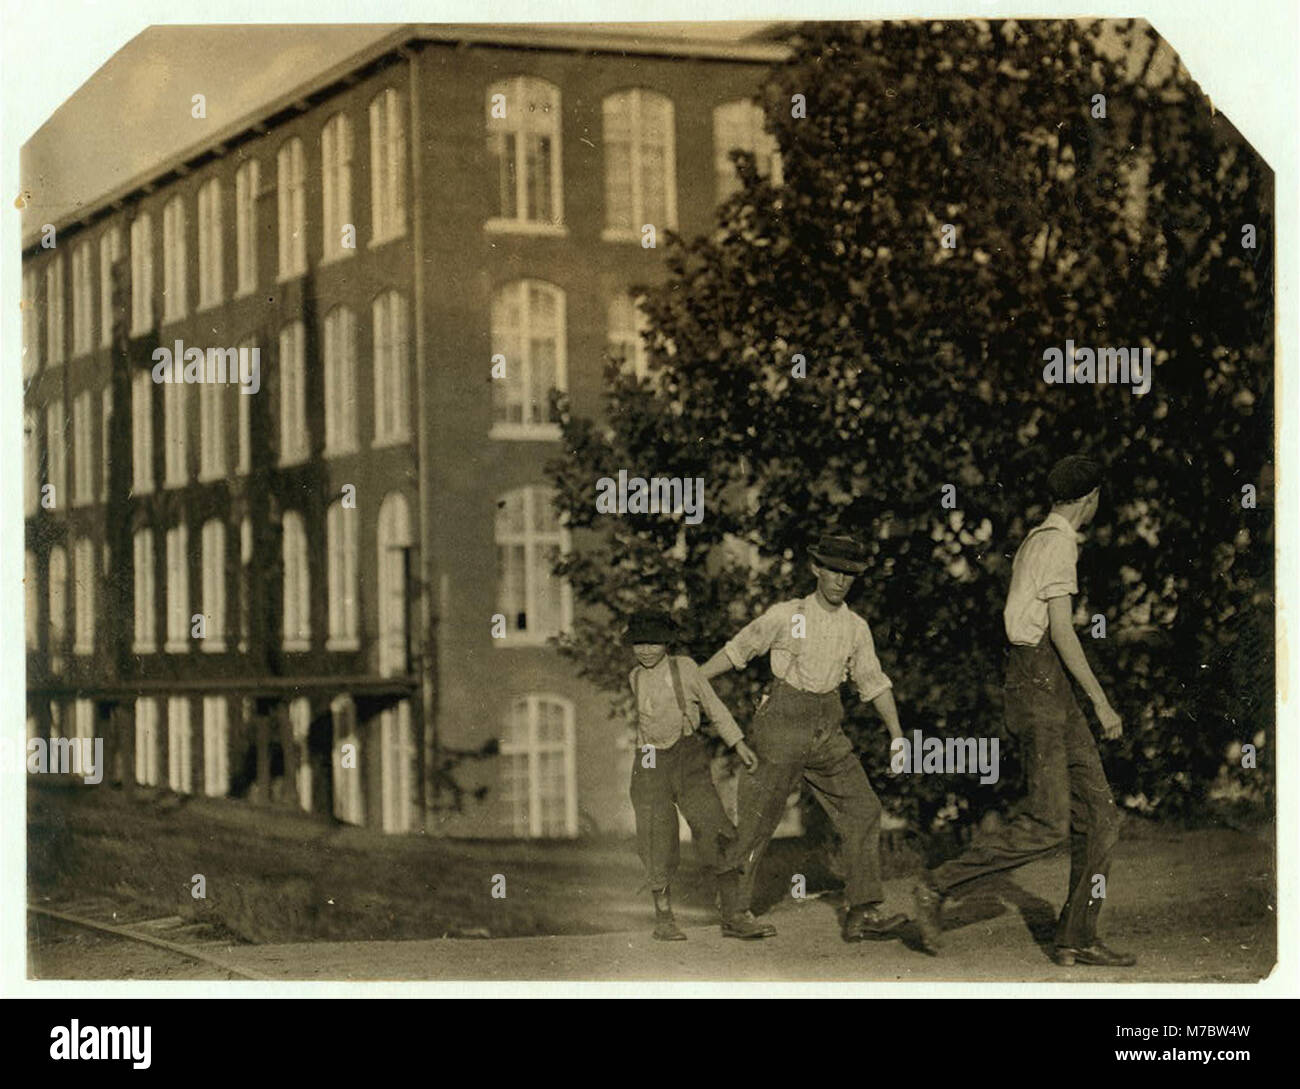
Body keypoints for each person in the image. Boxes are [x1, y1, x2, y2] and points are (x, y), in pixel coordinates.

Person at [912, 454, 1135, 967]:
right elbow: (1060, 631)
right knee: (1051, 822)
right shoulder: (1057, 545)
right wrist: (1101, 702)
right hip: (1039, 683)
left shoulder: (1037, 539)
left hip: (1046, 682)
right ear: (1090, 499)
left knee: (1101, 816)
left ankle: (1076, 935)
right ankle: (936, 885)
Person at [699, 534, 909, 943]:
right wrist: (693, 681)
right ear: (816, 569)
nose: (840, 580)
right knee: (759, 819)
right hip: (781, 723)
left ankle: (863, 911)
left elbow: (873, 683)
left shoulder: (855, 627)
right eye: (833, 570)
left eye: (849, 573)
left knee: (864, 807)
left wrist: (897, 734)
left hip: (827, 728)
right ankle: (736, 912)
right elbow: (739, 650)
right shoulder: (786, 614)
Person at [624, 610, 771, 941]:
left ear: (668, 643)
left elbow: (715, 707)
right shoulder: (634, 676)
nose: (646, 650)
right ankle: (664, 919)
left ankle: (734, 914)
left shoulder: (685, 668)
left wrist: (738, 743)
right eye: (639, 643)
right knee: (655, 837)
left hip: (688, 758)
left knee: (714, 827)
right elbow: (644, 726)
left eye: (654, 642)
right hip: (649, 763)